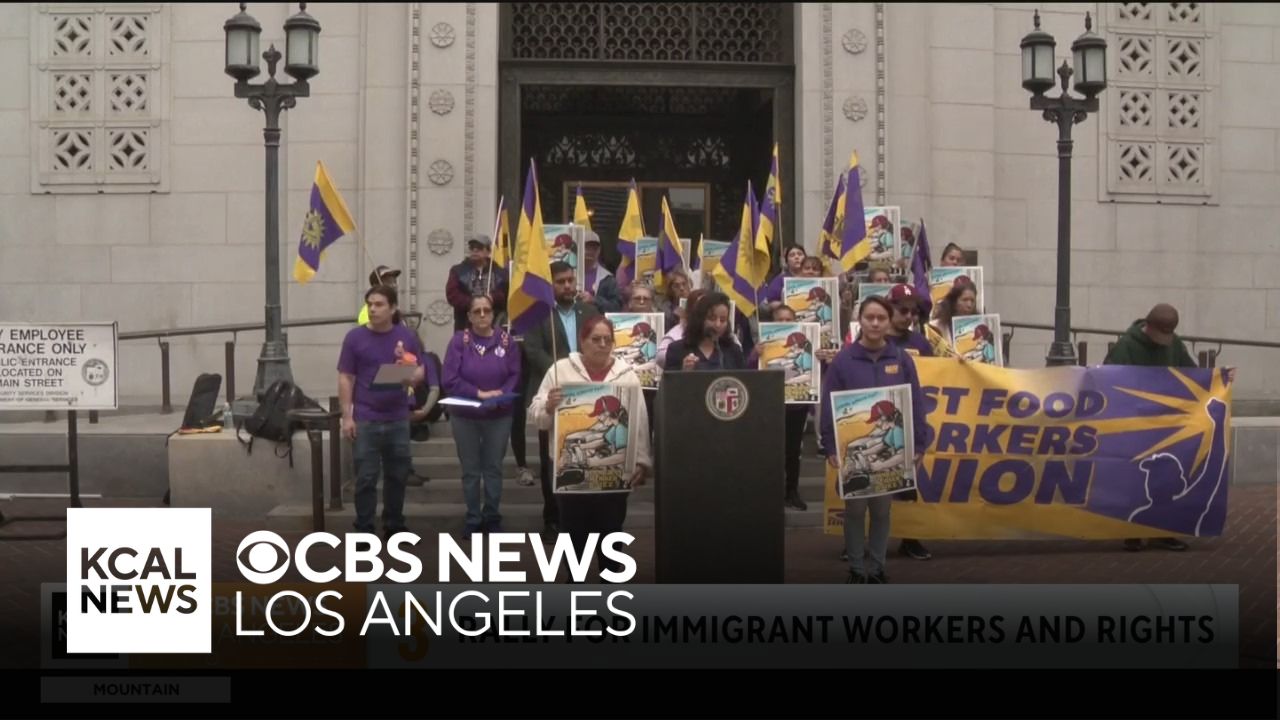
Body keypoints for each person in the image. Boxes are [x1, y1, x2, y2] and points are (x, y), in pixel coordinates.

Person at [528, 315, 651, 579]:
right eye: (596, 339)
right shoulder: (560, 371)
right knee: (573, 529)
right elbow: (535, 415)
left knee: (611, 527)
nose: (602, 344)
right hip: (566, 473)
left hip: (616, 473)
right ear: (582, 342)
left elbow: (639, 421)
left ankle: (610, 579)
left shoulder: (627, 375)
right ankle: (576, 580)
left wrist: (641, 460)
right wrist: (548, 406)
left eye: (608, 339)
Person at [822, 296, 928, 584]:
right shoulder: (843, 360)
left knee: (882, 510)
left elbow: (916, 402)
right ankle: (857, 569)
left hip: (896, 450)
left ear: (889, 320)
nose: (875, 323)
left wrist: (919, 444)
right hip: (851, 447)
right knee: (854, 510)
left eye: (881, 318)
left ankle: (878, 568)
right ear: (861, 320)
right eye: (870, 317)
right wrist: (830, 444)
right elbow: (829, 403)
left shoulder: (901, 359)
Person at [1103, 303, 1201, 553]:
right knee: (1134, 478)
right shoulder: (1126, 345)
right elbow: (1107, 378)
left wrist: (1219, 379)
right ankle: (1132, 533)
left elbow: (1193, 375)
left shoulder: (1175, 345)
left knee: (1164, 483)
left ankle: (1162, 533)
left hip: (1164, 425)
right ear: (1147, 326)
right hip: (1133, 424)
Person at [338, 285, 426, 538]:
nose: (373, 309)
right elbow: (346, 377)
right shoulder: (354, 338)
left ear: (393, 308)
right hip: (366, 418)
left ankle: (394, 526)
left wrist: (410, 376)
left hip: (398, 417)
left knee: (397, 476)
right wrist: (347, 416)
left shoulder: (406, 336)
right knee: (365, 477)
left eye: (379, 304)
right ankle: (364, 529)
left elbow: (419, 370)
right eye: (370, 304)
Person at [523, 261, 601, 535]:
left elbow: (599, 345)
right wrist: (562, 374)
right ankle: (552, 518)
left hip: (587, 396)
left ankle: (585, 517)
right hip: (554, 394)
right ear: (551, 285)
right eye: (561, 282)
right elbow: (532, 351)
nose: (568, 286)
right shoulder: (537, 313)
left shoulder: (590, 311)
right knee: (552, 460)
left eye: (570, 280)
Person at [442, 294, 522, 536]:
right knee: (470, 469)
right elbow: (449, 379)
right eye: (476, 311)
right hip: (465, 414)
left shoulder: (507, 342)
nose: (482, 315)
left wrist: (497, 396)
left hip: (498, 414)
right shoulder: (459, 341)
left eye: (486, 310)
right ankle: (473, 518)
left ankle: (492, 516)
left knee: (493, 467)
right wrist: (479, 393)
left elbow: (515, 375)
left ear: (493, 313)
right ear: (468, 316)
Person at [884, 283, 934, 561]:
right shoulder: (875, 338)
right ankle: (859, 541)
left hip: (911, 420)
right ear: (889, 308)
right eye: (902, 310)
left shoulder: (921, 343)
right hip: (883, 420)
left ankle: (910, 538)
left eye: (913, 312)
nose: (908, 316)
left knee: (909, 487)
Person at [747, 303, 810, 510]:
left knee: (793, 451)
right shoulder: (764, 344)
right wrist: (755, 354)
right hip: (771, 404)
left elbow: (814, 372)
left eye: (788, 320)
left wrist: (818, 360)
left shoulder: (805, 344)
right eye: (780, 320)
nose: (784, 324)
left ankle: (792, 491)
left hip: (797, 406)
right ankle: (770, 493)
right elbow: (749, 370)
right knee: (771, 450)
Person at [664, 292, 747, 372]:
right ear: (700, 319)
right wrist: (683, 372)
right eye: (712, 318)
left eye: (722, 320)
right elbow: (668, 384)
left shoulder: (734, 351)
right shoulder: (676, 350)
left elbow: (743, 383)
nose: (717, 324)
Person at [446, 234, 508, 331]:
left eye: (479, 247)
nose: (474, 250)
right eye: (472, 248)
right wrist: (473, 302)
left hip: (494, 327)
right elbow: (452, 295)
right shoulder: (457, 271)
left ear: (488, 251)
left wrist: (491, 298)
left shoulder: (500, 272)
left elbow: (505, 294)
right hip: (465, 326)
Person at [926, 280, 978, 357]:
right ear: (954, 302)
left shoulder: (978, 329)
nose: (969, 305)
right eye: (965, 300)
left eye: (972, 301)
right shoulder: (935, 327)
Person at [762, 243, 807, 310]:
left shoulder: (813, 277)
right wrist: (784, 303)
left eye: (800, 254)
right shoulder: (780, 279)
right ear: (787, 261)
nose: (797, 257)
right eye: (792, 255)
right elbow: (770, 304)